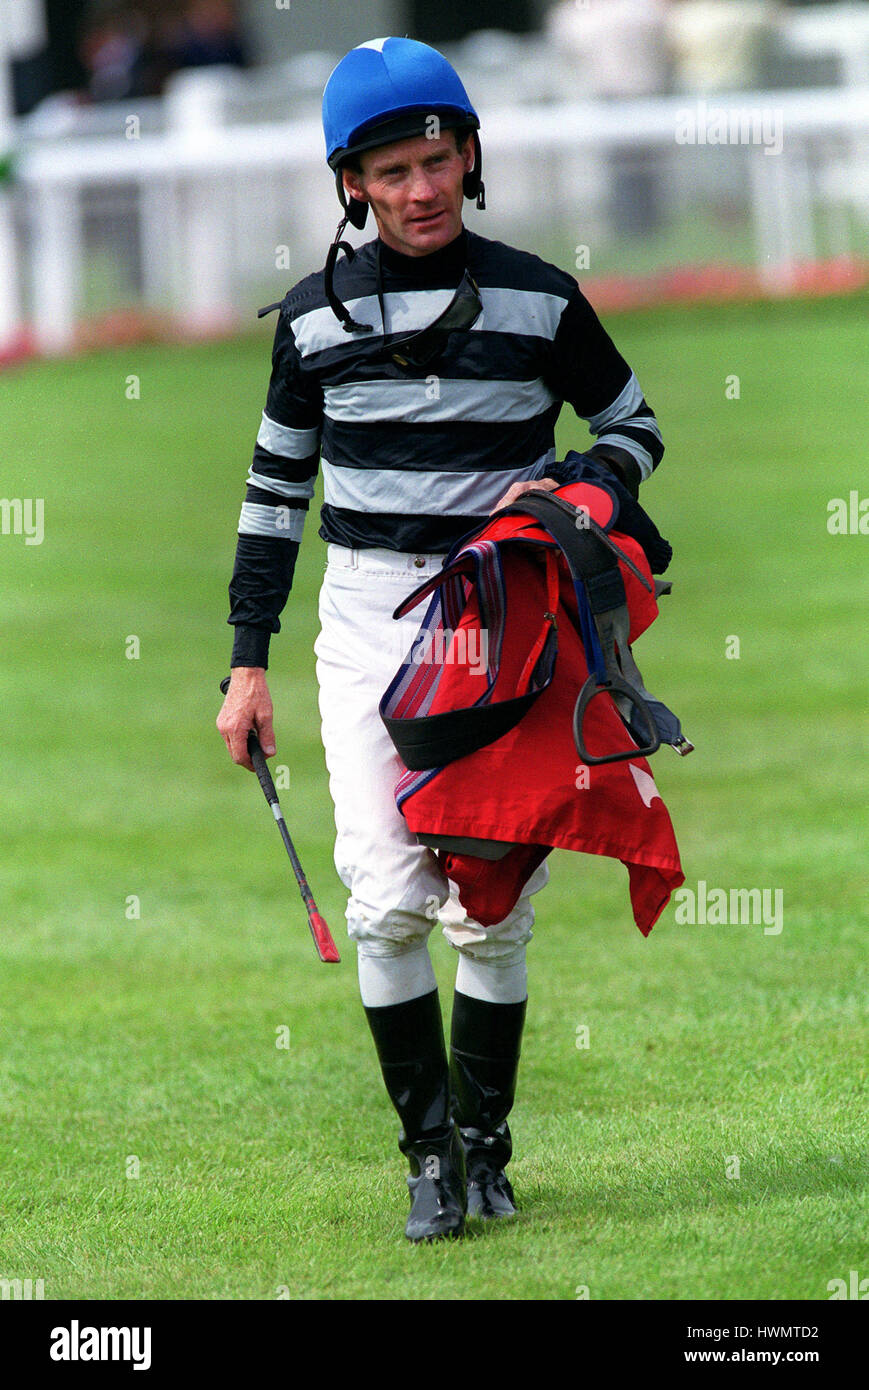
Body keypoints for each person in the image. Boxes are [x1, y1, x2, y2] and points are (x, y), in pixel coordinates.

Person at [216, 36, 665, 1242]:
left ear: (470, 158)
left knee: (493, 904)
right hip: (366, 618)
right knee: (385, 901)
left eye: (435, 159)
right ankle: (425, 1157)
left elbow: (631, 424)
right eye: (389, 168)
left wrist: (584, 491)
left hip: (502, 625)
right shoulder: (308, 323)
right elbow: (273, 497)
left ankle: (486, 1150)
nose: (417, 188)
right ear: (349, 182)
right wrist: (245, 658)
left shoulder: (537, 294)